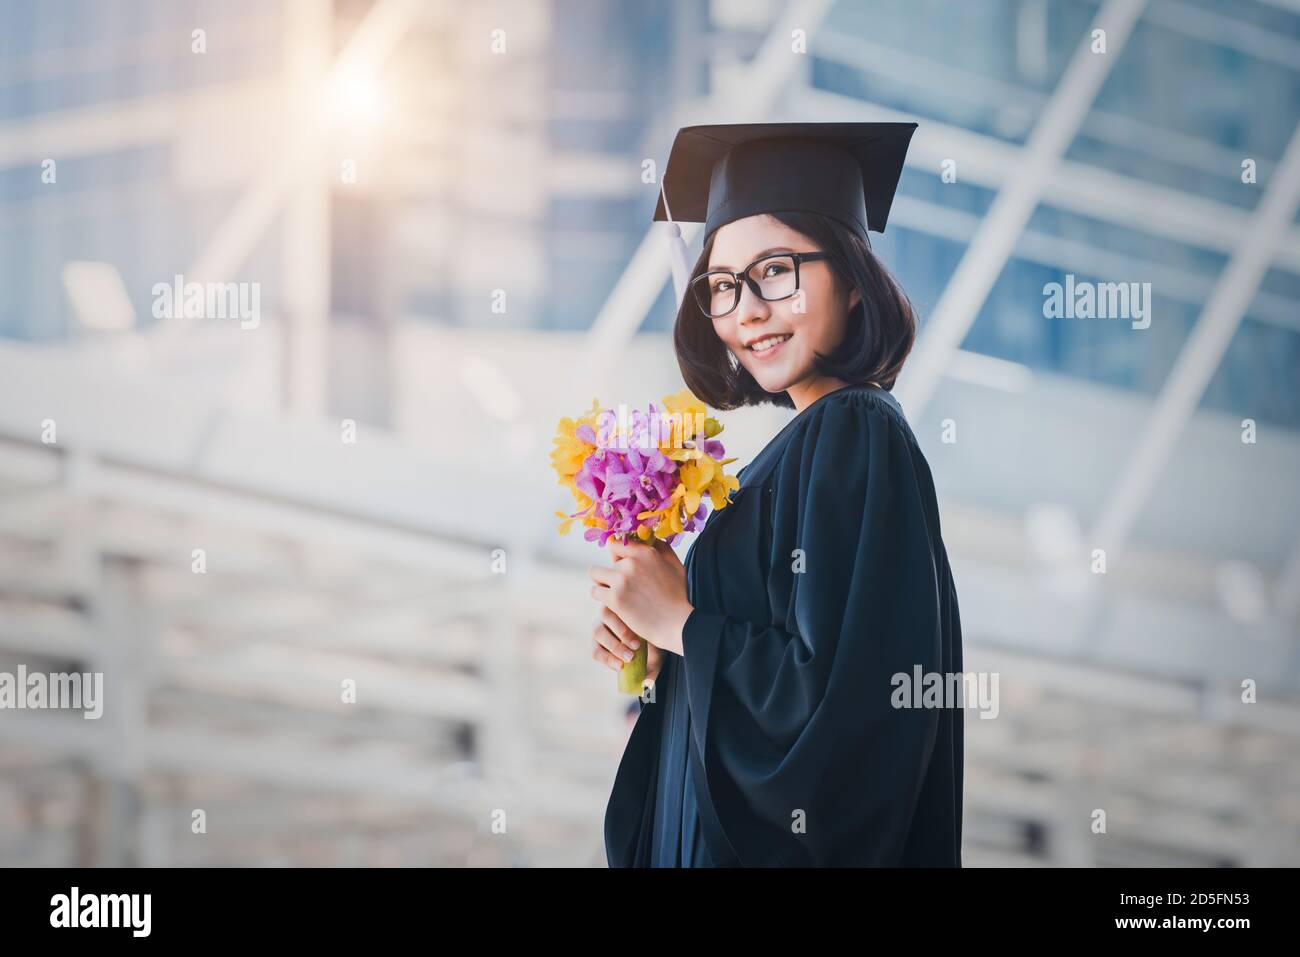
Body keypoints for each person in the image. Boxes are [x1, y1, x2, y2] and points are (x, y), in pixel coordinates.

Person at [588, 123, 963, 866]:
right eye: (723, 285)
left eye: (777, 271)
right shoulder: (804, 449)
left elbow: (847, 710)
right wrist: (666, 661)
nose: (747, 310)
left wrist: (684, 621)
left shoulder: (854, 435)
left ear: (854, 279)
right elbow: (780, 677)